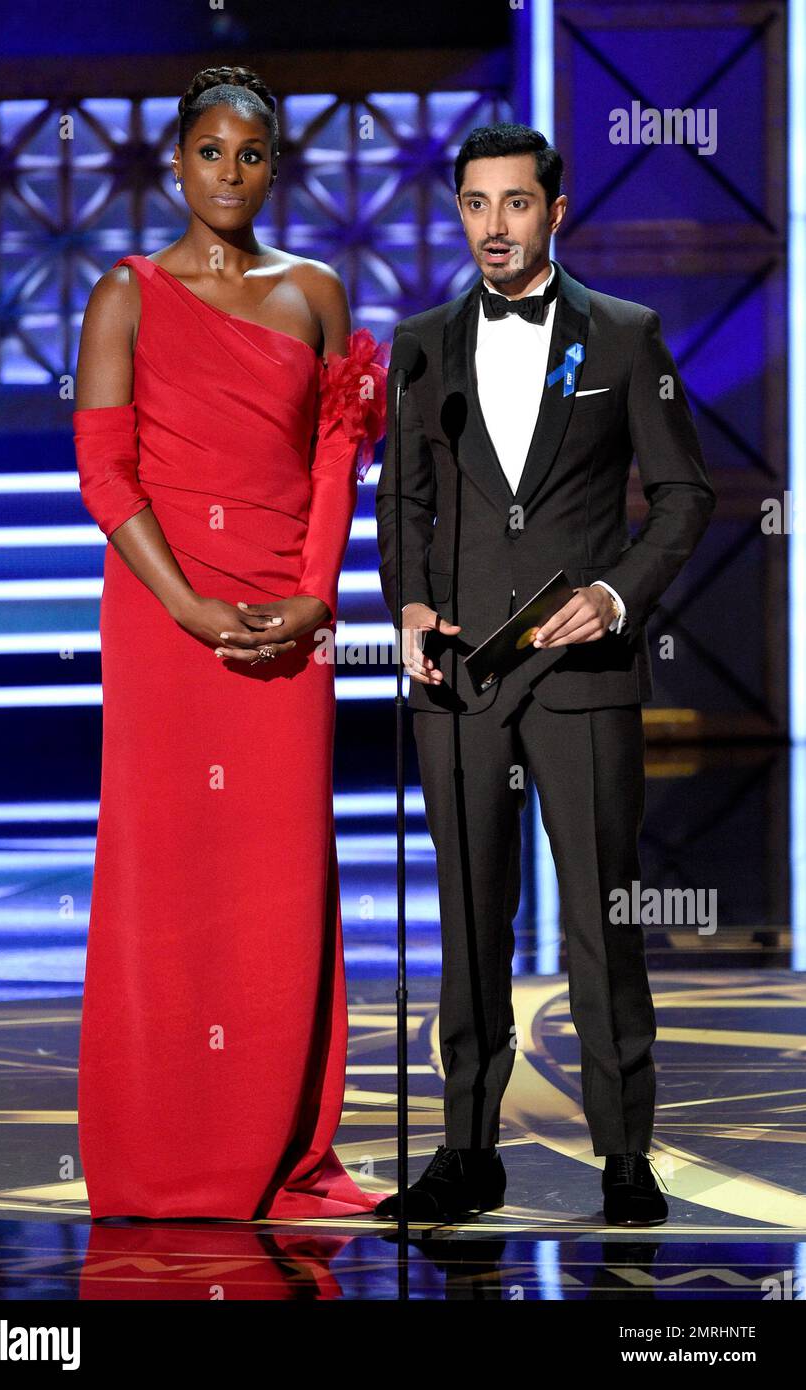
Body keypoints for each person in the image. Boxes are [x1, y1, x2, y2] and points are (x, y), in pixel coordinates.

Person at [374, 122, 716, 1226]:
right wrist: (411, 603)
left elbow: (683, 495)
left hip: (581, 670)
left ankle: (624, 1155)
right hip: (460, 676)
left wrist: (615, 595)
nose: (493, 227)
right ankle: (466, 1150)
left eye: (514, 204)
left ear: (554, 212)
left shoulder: (623, 335)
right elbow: (403, 504)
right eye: (474, 205)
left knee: (599, 919)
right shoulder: (421, 343)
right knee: (471, 918)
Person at [73, 64, 388, 1220]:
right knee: (167, 871)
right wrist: (187, 607)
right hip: (166, 622)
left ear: (274, 166)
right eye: (210, 151)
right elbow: (104, 472)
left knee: (275, 874)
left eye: (250, 154)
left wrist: (315, 598)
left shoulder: (314, 291)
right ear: (176, 160)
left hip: (286, 623)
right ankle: (162, 1152)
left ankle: (276, 1143)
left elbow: (334, 460)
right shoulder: (127, 293)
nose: (229, 172)